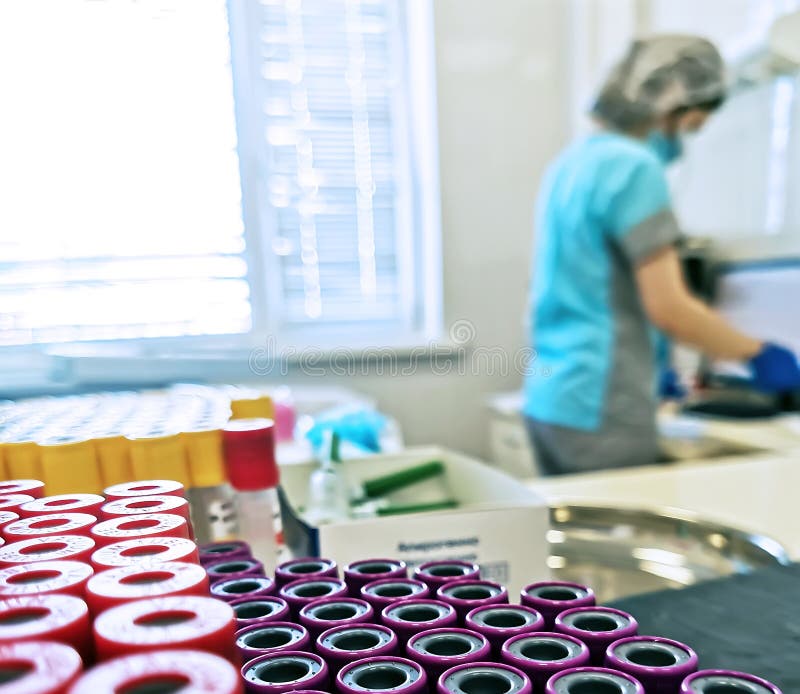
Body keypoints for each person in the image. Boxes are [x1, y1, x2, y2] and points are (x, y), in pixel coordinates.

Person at [524, 35, 800, 476]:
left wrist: (649, 367)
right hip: (602, 406)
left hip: (551, 398)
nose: (687, 141)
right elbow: (669, 307)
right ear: (671, 109)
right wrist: (759, 354)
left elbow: (588, 287)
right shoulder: (634, 167)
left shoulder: (571, 164)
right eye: (693, 126)